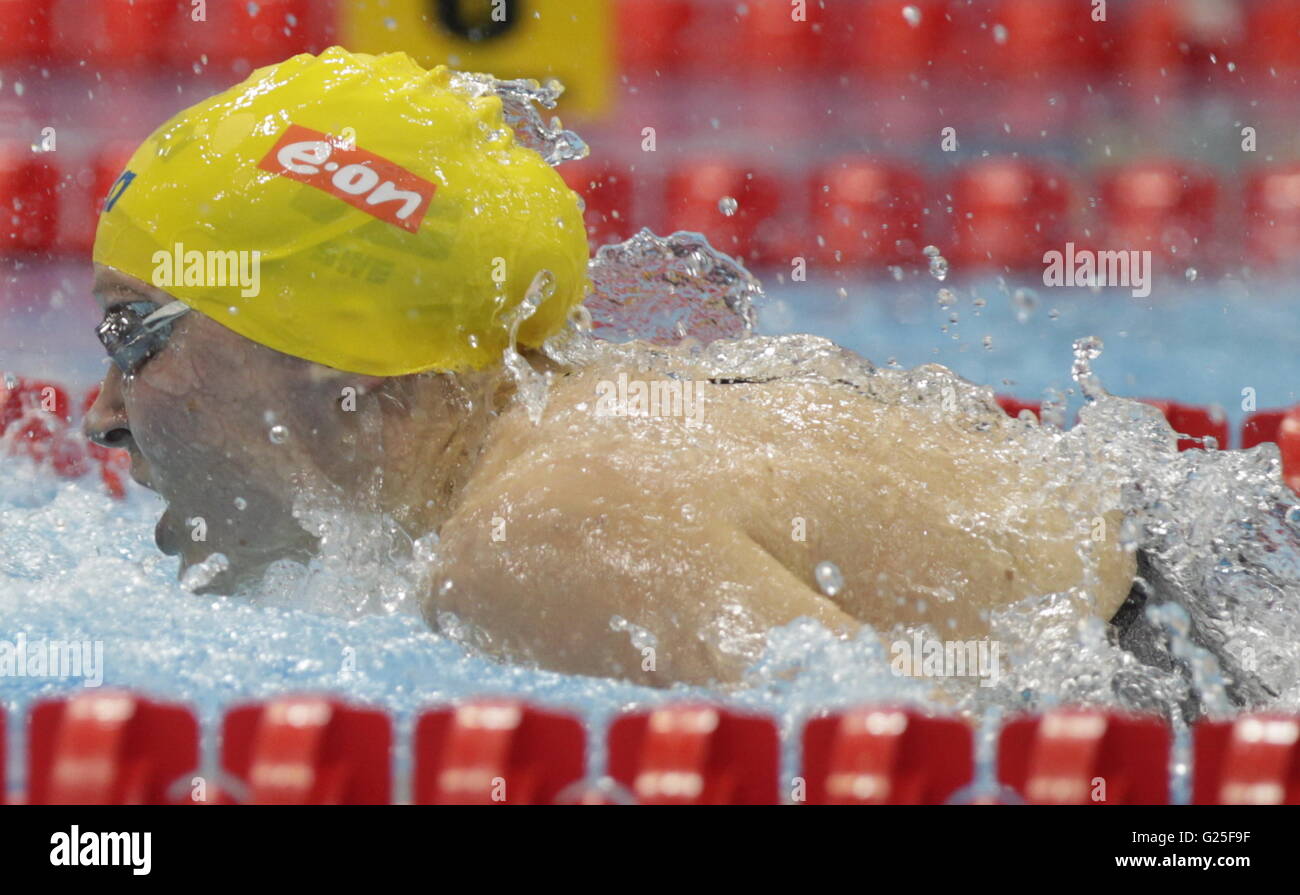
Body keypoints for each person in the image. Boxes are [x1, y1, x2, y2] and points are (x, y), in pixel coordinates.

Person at [85, 48, 1137, 687]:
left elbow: (931, 771)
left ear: (332, 351)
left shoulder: (537, 537)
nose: (101, 416)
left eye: (133, 334)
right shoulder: (595, 427)